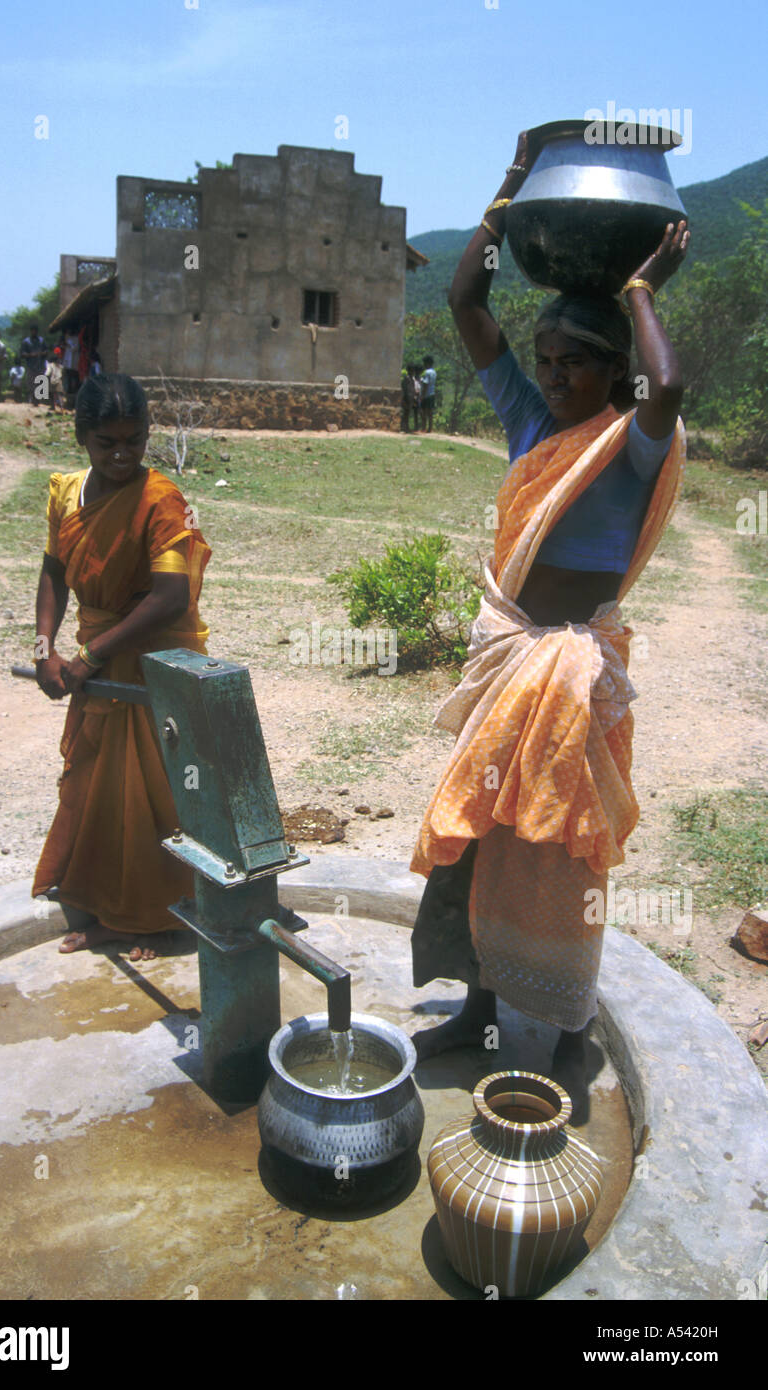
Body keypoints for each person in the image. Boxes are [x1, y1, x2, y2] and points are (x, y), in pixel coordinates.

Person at [409, 130, 689, 1108]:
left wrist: (643, 291)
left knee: (556, 850)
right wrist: (512, 180)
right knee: (482, 836)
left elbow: (672, 388)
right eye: (547, 359)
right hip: (508, 662)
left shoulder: (632, 442)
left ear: (615, 372)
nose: (556, 374)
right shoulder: (535, 426)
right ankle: (476, 1008)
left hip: (568, 680)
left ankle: (561, 1033)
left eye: (576, 361)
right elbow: (466, 302)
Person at [32, 373, 212, 961]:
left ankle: (161, 918)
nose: (120, 454)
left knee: (154, 789)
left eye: (133, 441)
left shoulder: (160, 499)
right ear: (82, 436)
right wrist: (44, 648)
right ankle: (111, 907)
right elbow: (55, 573)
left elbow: (170, 596)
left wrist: (89, 656)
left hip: (150, 660)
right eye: (106, 442)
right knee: (100, 782)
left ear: (147, 435)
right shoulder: (66, 493)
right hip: (97, 656)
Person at [21, 323, 47, 405]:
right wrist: (31, 355)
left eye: (35, 331)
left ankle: (39, 401)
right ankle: (31, 400)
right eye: (33, 331)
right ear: (31, 331)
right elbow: (22, 354)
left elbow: (46, 351)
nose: (34, 332)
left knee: (40, 382)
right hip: (30, 365)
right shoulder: (26, 341)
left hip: (40, 365)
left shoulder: (41, 340)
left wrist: (42, 353)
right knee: (31, 383)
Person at [420, 355, 437, 432]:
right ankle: (430, 428)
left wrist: (422, 395)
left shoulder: (427, 372)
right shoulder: (434, 372)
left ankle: (424, 427)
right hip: (432, 393)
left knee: (423, 411)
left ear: (427, 363)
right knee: (430, 412)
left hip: (426, 394)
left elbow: (426, 384)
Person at [46, 347, 65, 411]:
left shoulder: (50, 365)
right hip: (59, 381)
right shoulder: (60, 366)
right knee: (60, 394)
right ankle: (62, 407)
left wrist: (45, 376)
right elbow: (63, 372)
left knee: (51, 394)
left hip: (52, 381)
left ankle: (52, 406)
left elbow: (48, 373)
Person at [401, 362, 417, 432]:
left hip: (410, 398)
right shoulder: (406, 379)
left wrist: (413, 397)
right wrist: (406, 397)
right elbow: (405, 389)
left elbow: (412, 389)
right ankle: (403, 427)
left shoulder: (412, 380)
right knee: (405, 413)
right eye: (412, 370)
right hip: (406, 398)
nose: (413, 372)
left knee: (407, 413)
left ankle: (406, 427)